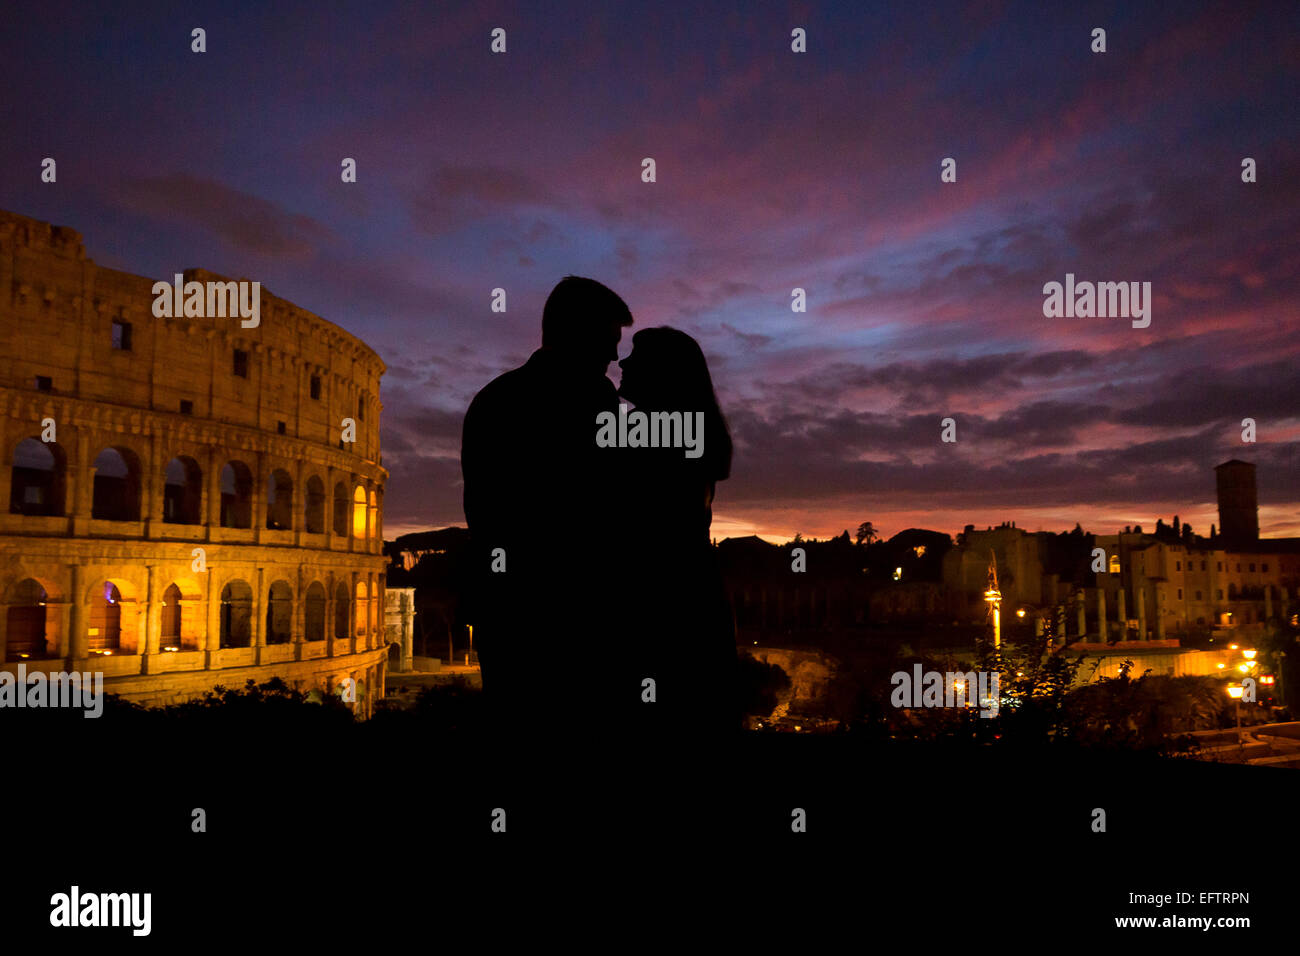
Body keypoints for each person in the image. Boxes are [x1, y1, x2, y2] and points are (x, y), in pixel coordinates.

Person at [461, 276, 633, 745]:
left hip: (510, 614)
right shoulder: (589, 401)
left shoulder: (494, 397)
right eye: (609, 341)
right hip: (572, 616)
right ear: (579, 333)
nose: (615, 358)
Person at [616, 326, 740, 743]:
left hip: (662, 610)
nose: (622, 362)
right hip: (691, 605)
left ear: (662, 374)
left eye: (636, 356)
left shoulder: (648, 436)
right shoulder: (686, 433)